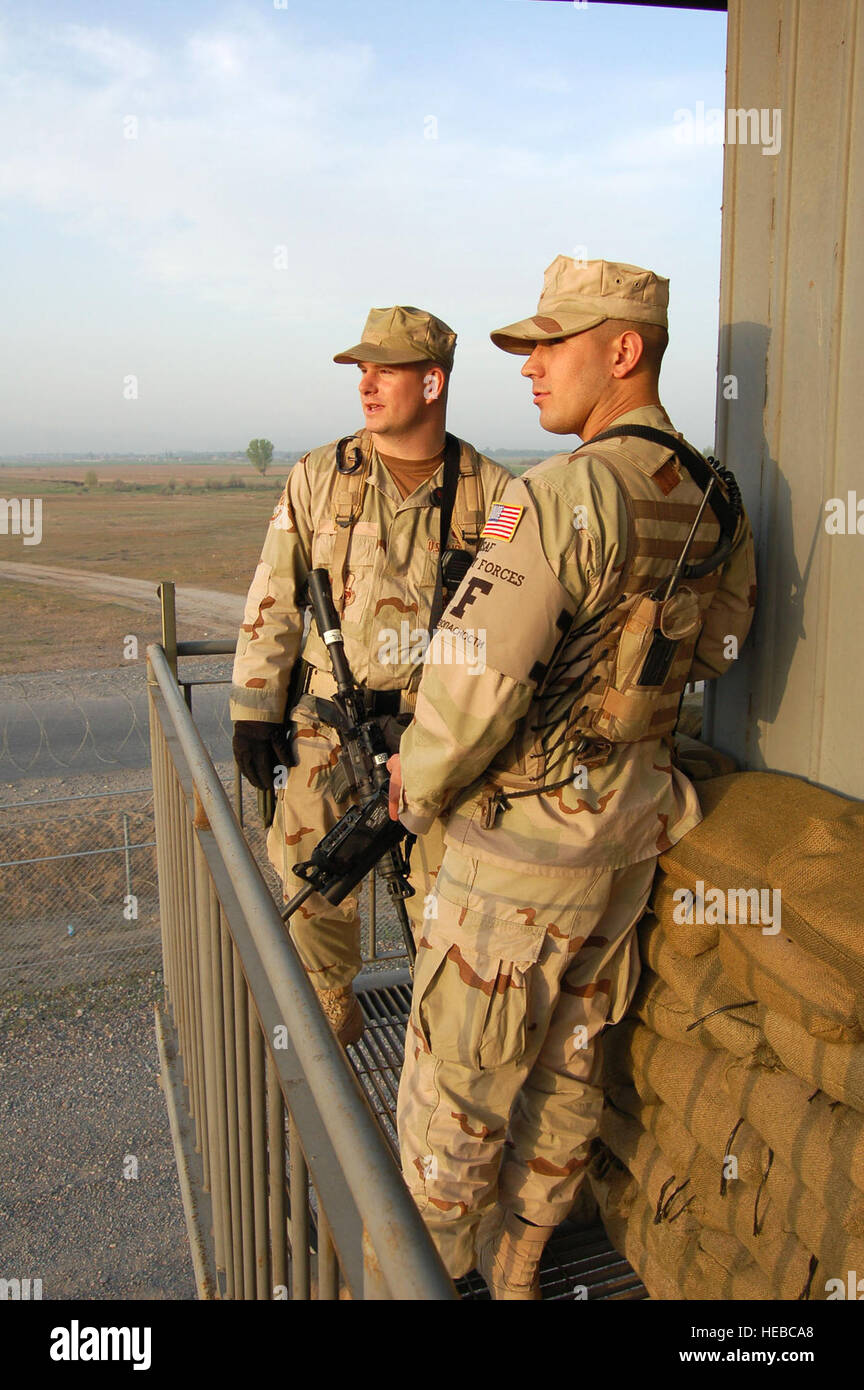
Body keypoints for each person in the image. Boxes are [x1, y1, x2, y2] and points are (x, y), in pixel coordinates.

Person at [388, 256, 757, 1297]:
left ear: (624, 350)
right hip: (622, 849)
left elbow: (470, 681)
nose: (532, 368)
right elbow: (723, 650)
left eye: (551, 345)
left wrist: (413, 787)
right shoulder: (714, 497)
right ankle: (514, 1277)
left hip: (514, 865)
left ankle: (421, 1278)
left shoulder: (562, 492)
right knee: (565, 1073)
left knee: (452, 1101)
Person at [229, 305, 511, 1045]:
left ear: (432, 382)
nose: (368, 384)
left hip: (435, 740)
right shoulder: (321, 477)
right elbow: (274, 597)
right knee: (307, 876)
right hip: (328, 725)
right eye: (362, 370)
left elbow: (514, 626)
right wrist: (254, 709)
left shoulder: (494, 494)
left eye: (386, 369)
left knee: (448, 900)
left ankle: (438, 1038)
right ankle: (330, 1010)